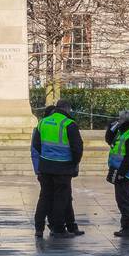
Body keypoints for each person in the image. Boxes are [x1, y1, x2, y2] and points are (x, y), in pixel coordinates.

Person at [31, 99, 83, 238]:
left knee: (44, 197)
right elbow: (77, 148)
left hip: (46, 166)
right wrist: (74, 163)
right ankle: (58, 228)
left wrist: (47, 155)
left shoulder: (43, 122)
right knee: (61, 198)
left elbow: (36, 144)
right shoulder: (69, 124)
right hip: (63, 167)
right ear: (67, 109)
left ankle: (39, 228)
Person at [105, 109, 129, 238]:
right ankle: (125, 227)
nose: (118, 120)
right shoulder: (123, 131)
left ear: (126, 120)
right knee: (121, 200)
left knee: (126, 200)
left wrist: (121, 173)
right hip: (119, 170)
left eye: (120, 119)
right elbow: (109, 140)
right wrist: (111, 127)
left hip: (126, 173)